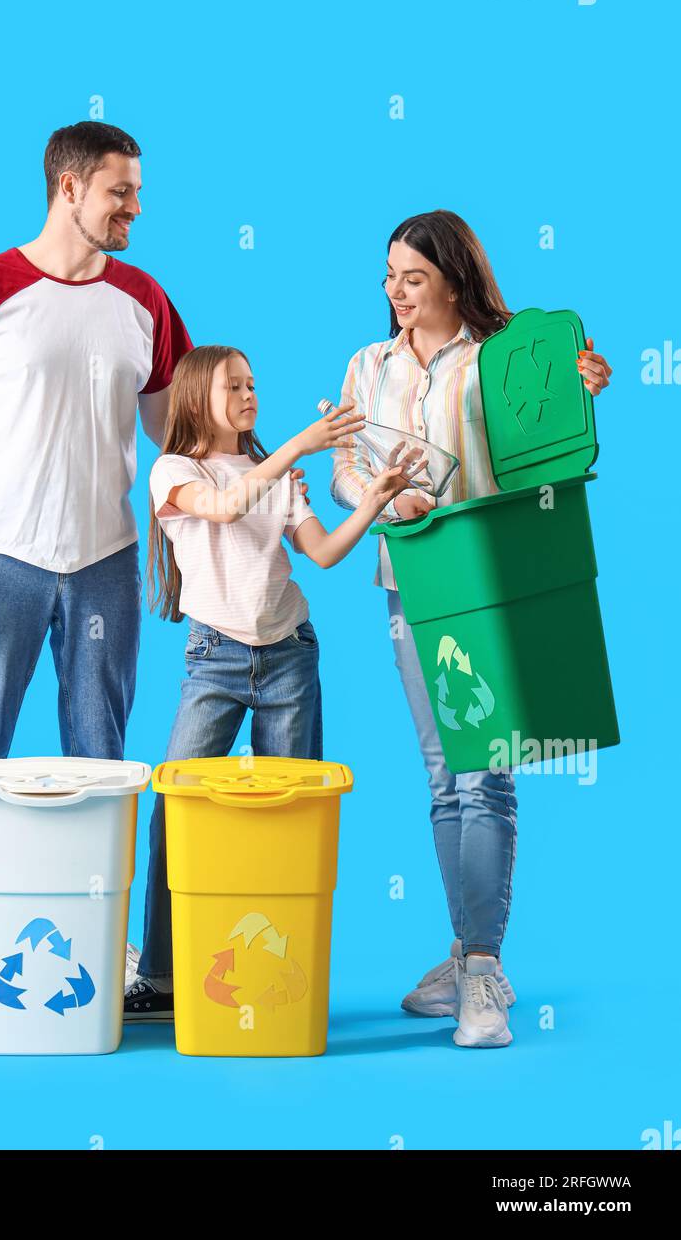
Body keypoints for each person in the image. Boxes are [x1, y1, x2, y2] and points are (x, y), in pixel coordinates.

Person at [0, 121, 196, 1023]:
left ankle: (104, 941)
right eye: (122, 191)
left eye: (138, 192)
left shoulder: (144, 299)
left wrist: (258, 476)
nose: (135, 208)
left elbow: (176, 432)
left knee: (103, 762)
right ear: (69, 188)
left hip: (103, 557)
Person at [331, 210, 612, 1049]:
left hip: (493, 582)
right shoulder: (367, 365)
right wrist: (379, 497)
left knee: (486, 770)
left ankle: (485, 971)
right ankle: (464, 954)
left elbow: (550, 439)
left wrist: (579, 382)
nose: (396, 294)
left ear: (454, 278)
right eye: (388, 278)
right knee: (442, 772)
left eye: (413, 279)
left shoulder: (499, 357)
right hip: (409, 582)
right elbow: (345, 470)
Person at [124, 344, 424, 1019]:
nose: (250, 394)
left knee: (291, 823)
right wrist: (297, 447)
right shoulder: (175, 470)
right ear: (199, 396)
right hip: (215, 659)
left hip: (290, 655)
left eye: (254, 383)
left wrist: (373, 500)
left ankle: (282, 971)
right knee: (176, 810)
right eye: (236, 385)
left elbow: (320, 553)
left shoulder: (274, 474)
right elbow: (225, 508)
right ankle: (165, 976)